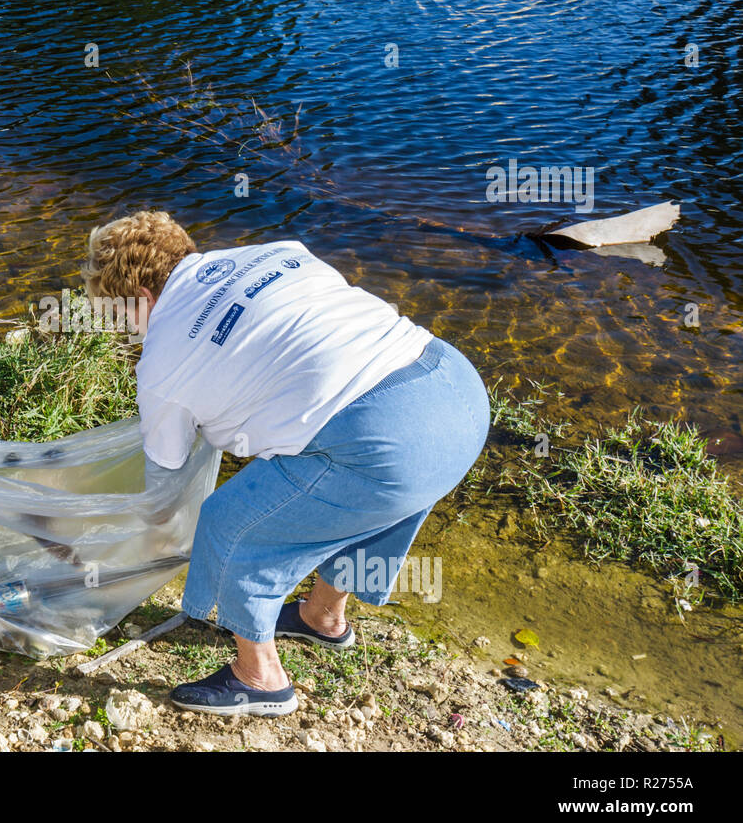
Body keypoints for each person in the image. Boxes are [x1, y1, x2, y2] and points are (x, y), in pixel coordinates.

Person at [80, 211, 489, 716]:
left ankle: (259, 679)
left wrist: (120, 544)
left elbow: (166, 482)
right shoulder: (274, 252)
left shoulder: (161, 364)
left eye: (117, 313)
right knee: (362, 495)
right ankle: (322, 619)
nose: (122, 327)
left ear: (140, 300)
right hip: (457, 393)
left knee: (228, 523)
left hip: (392, 444)